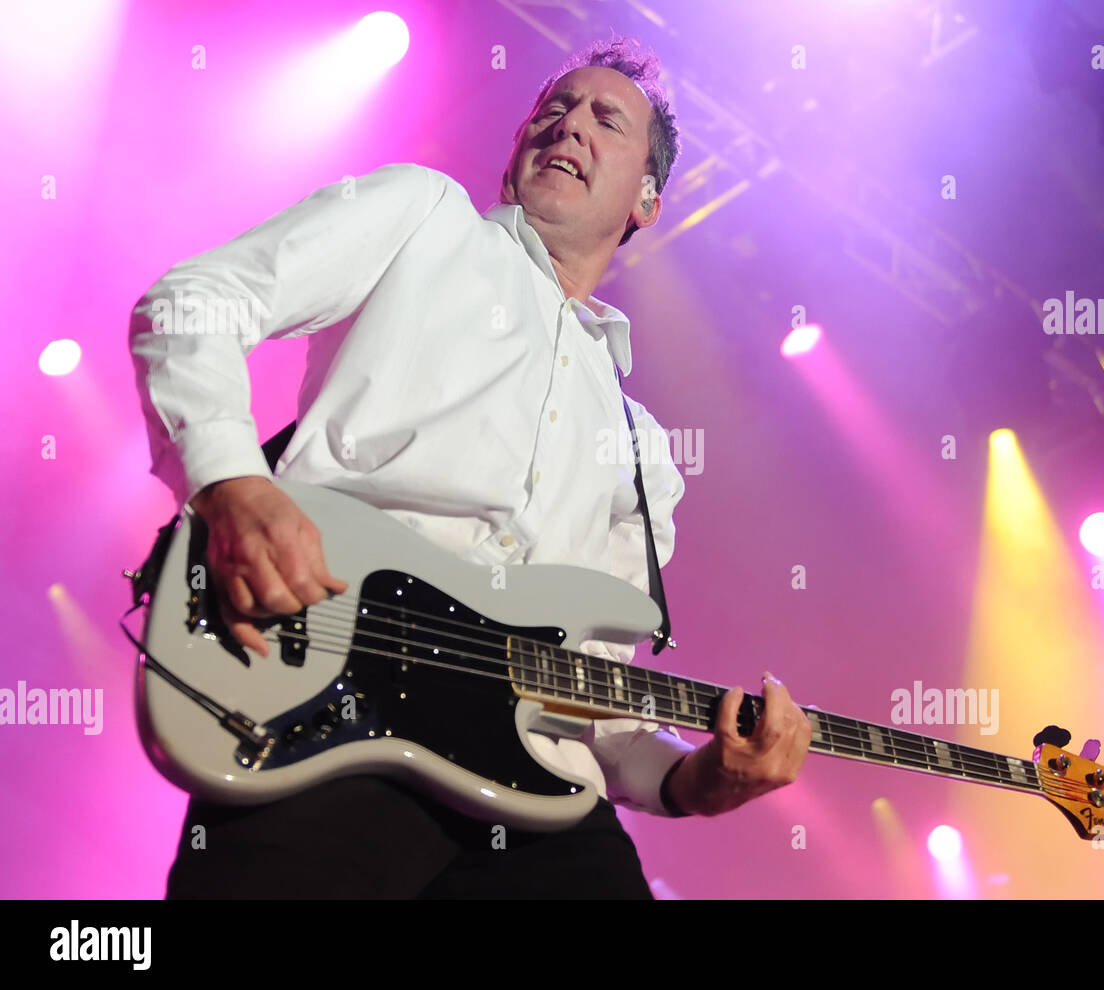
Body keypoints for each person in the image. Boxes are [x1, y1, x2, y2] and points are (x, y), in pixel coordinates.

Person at [129, 35, 811, 899]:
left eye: (607, 119)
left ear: (646, 197)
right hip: (325, 717)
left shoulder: (643, 450)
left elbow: (597, 704)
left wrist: (700, 780)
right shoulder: (426, 217)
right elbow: (193, 302)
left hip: (538, 812)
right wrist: (230, 482)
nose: (569, 126)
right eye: (553, 110)